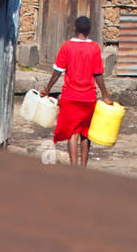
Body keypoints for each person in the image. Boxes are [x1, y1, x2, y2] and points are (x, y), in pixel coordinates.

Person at [41, 16, 112, 168]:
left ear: (74, 28)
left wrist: (47, 89)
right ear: (89, 31)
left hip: (70, 97)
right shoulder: (94, 48)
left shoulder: (67, 46)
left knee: (73, 132)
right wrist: (105, 95)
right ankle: (83, 168)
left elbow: (57, 72)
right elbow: (98, 74)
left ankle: (73, 169)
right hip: (88, 97)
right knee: (86, 133)